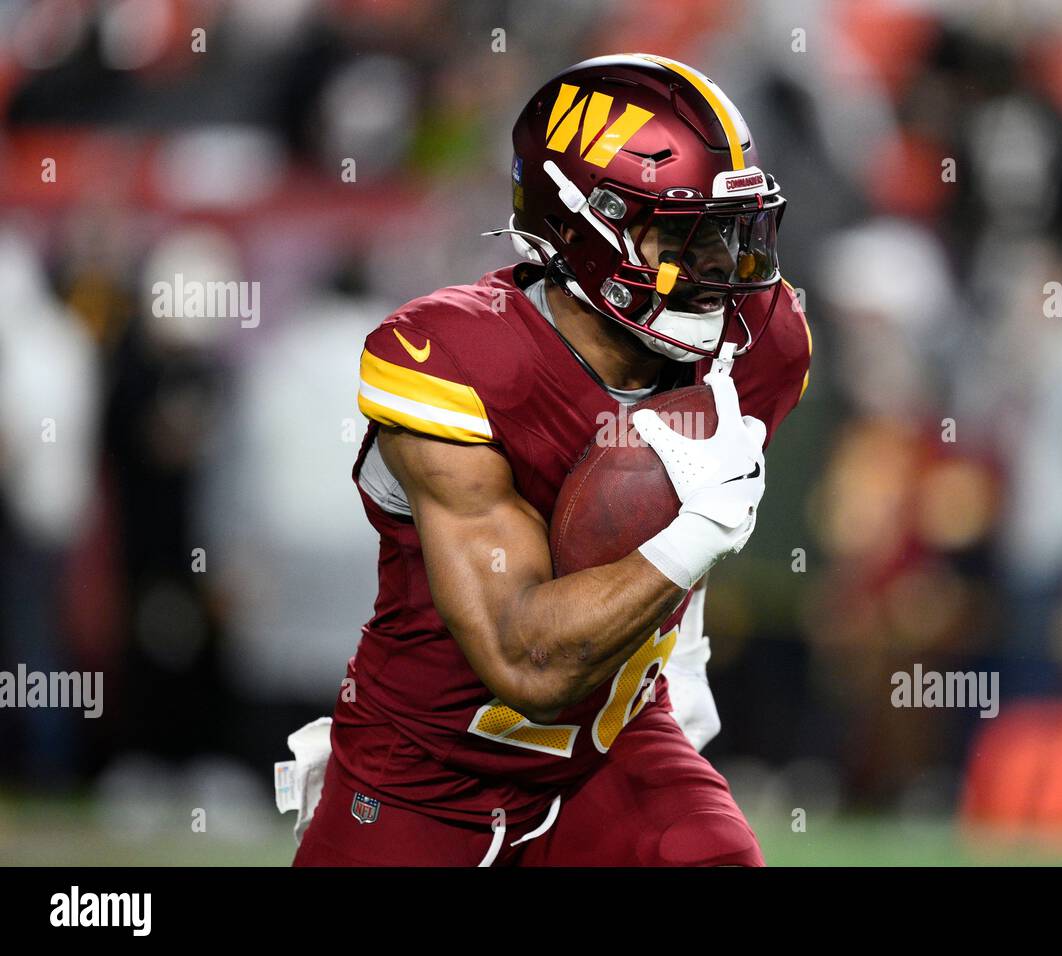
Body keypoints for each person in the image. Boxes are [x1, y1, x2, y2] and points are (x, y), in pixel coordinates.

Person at [290, 54, 811, 866]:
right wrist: (693, 535)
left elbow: (639, 517)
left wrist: (687, 649)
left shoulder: (760, 343)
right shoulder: (459, 360)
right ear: (586, 225)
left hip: (603, 756)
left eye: (730, 232)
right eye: (683, 233)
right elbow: (521, 657)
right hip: (422, 780)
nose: (721, 271)